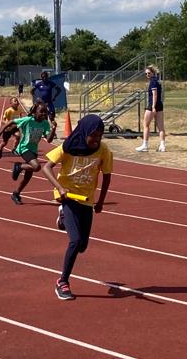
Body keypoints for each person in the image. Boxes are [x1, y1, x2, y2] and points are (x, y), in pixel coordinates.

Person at [43, 114, 113, 301]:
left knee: (82, 246)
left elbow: (106, 177)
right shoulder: (69, 146)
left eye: (99, 136)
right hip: (68, 197)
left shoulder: (103, 151)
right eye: (93, 136)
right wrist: (59, 188)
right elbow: (46, 167)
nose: (96, 140)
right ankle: (62, 282)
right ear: (84, 133)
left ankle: (64, 220)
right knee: (74, 241)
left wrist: (101, 201)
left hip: (87, 200)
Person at [9, 101, 55, 205]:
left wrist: (54, 129)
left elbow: (49, 140)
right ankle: (19, 166)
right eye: (41, 112)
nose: (44, 114)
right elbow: (12, 122)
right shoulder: (28, 120)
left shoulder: (45, 124)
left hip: (33, 150)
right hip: (24, 148)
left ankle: (16, 193)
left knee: (27, 177)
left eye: (45, 112)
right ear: (34, 112)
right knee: (37, 167)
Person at [136, 65, 166, 152]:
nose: (147, 75)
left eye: (149, 73)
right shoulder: (157, 81)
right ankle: (162, 146)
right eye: (146, 74)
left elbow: (155, 94)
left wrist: (153, 107)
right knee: (161, 127)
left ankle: (145, 145)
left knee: (146, 125)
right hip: (160, 105)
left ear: (153, 73)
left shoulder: (153, 81)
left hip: (153, 105)